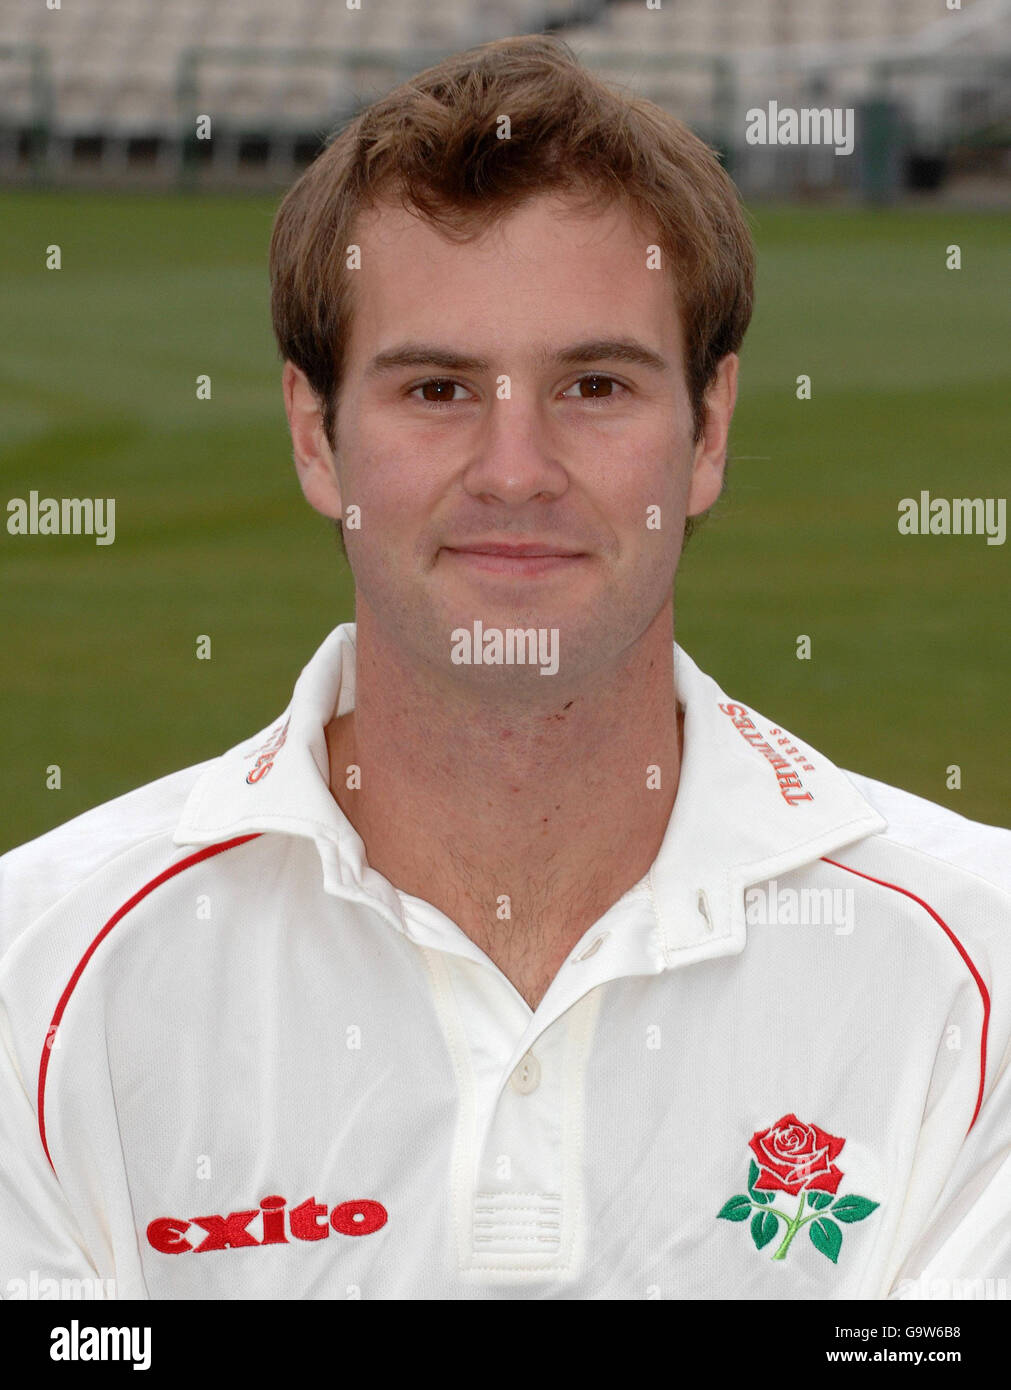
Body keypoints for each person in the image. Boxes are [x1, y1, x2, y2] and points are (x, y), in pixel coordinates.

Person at [1, 33, 1008, 1302]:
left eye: (594, 384)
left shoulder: (983, 976)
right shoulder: (33, 979)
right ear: (317, 438)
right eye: (436, 390)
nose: (516, 469)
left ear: (711, 431)